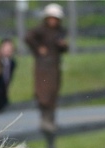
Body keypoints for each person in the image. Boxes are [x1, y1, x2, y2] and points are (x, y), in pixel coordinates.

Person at [25, 3, 68, 136]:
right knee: (43, 93)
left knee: (53, 93)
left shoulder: (60, 31)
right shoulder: (40, 30)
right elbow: (28, 37)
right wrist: (38, 48)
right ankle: (44, 120)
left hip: (54, 67)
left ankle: (51, 120)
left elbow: (63, 48)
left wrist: (62, 45)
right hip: (42, 67)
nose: (53, 21)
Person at [0, 37, 17, 118]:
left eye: (10, 48)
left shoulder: (12, 63)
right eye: (6, 48)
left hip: (3, 95)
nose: (8, 50)